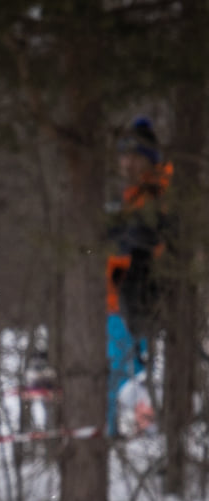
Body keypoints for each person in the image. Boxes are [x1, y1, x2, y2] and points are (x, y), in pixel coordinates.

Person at [104, 117, 171, 434]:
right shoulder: (125, 200)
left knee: (129, 382)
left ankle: (131, 439)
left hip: (140, 310)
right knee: (115, 380)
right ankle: (114, 433)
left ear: (150, 160)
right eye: (123, 155)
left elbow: (146, 250)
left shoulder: (157, 199)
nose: (127, 162)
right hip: (113, 306)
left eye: (135, 155)